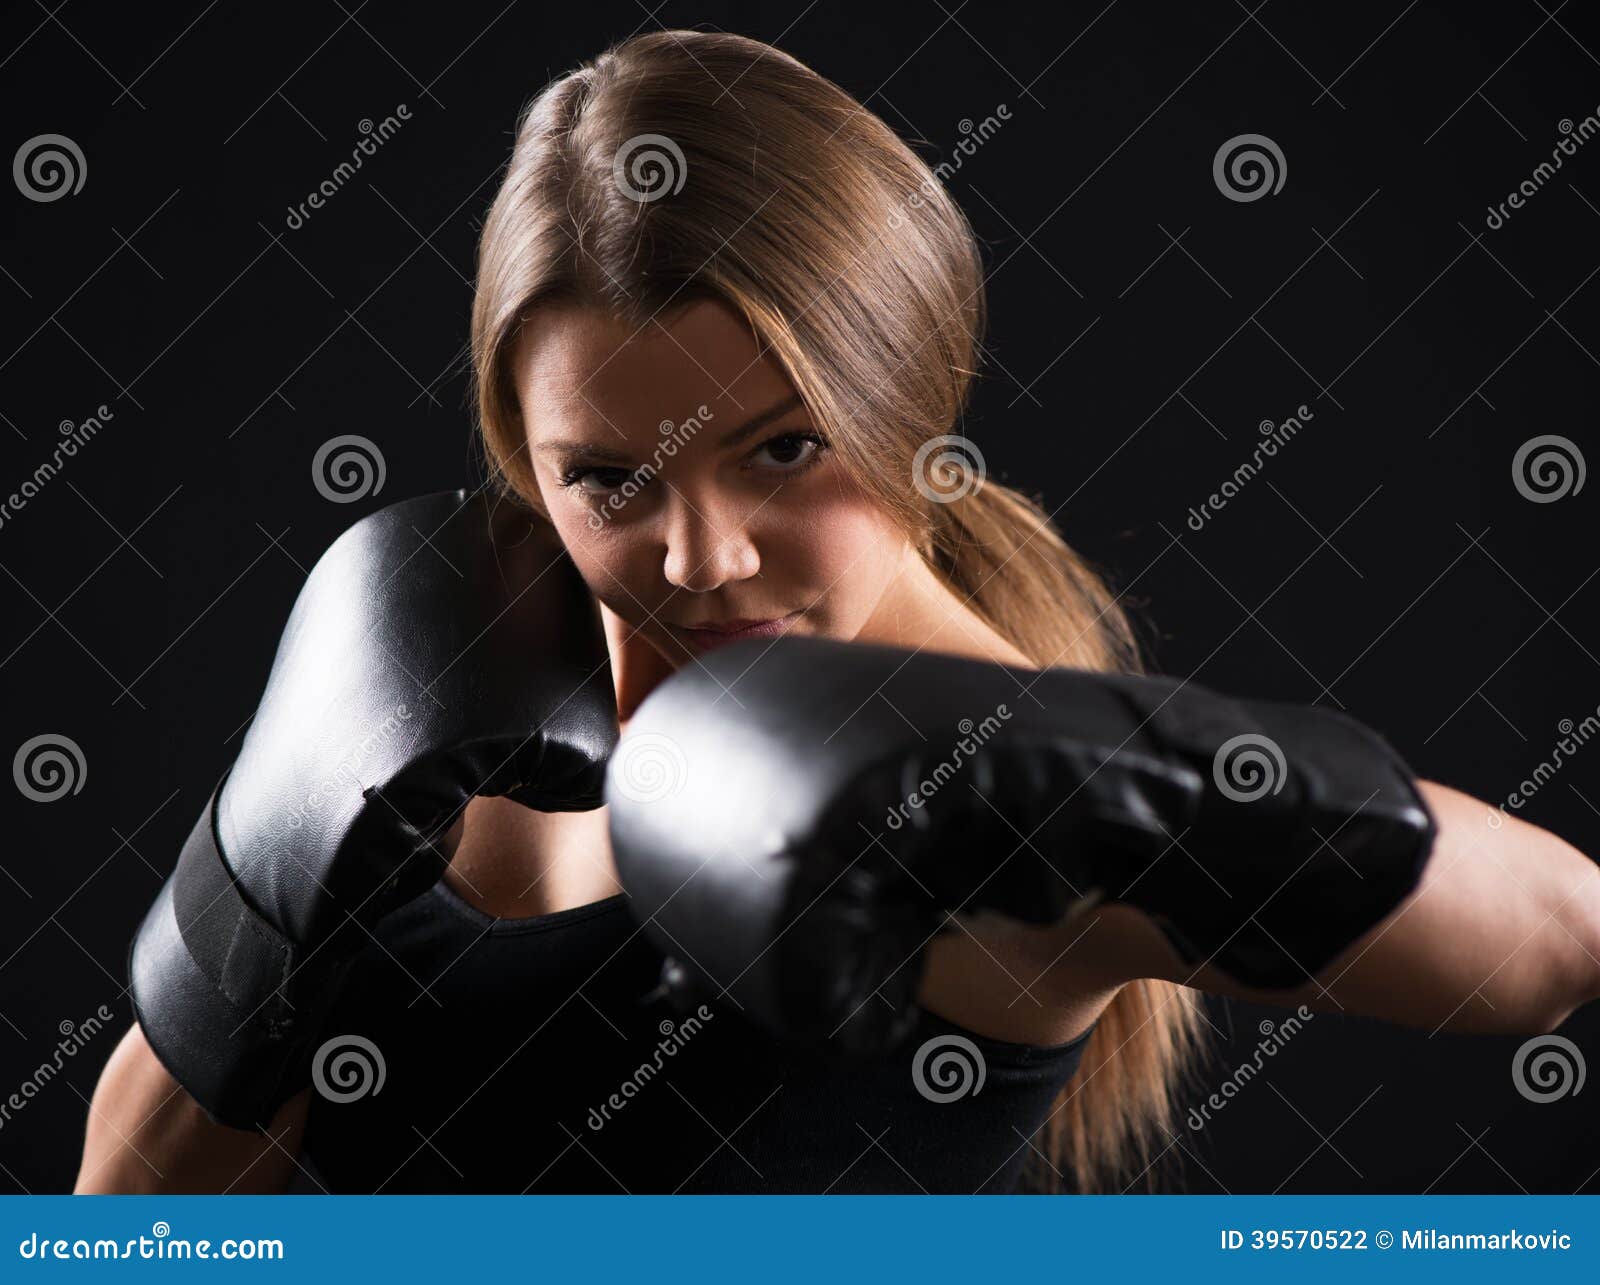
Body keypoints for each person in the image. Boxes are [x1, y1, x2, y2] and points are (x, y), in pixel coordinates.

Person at [76, 30, 1600, 1196]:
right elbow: (134, 1206)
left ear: (910, 401)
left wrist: (1124, 787)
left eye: (785, 450)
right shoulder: (431, 662)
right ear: (518, 456)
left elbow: (1553, 929)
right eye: (607, 477)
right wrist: (245, 942)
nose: (699, 560)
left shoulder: (975, 782)